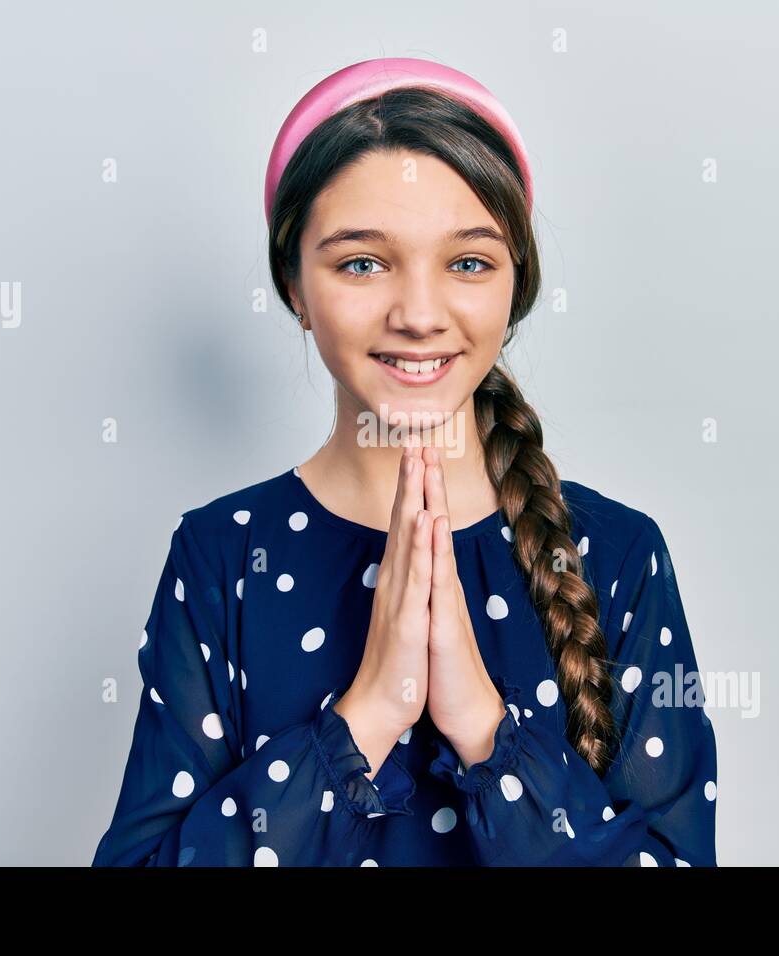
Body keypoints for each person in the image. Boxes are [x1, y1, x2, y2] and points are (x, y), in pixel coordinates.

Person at [91, 57, 718, 867]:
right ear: (293, 283)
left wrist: (490, 735)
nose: (419, 315)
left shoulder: (619, 554)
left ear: (515, 283)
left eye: (468, 262)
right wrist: (363, 721)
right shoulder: (220, 557)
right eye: (362, 262)